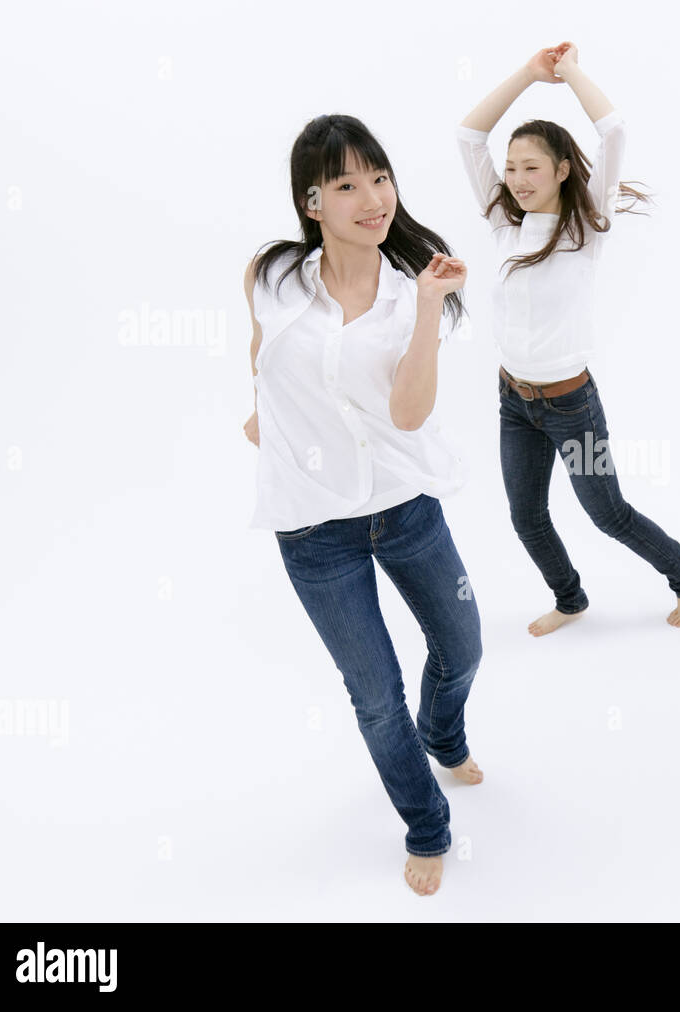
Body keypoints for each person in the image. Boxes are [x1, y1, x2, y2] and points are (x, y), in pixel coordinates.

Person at [242, 113, 483, 894]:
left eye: (379, 178)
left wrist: (423, 314)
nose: (373, 197)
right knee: (375, 695)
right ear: (312, 201)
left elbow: (409, 414)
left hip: (403, 505)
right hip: (313, 527)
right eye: (347, 184)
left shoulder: (418, 291)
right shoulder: (271, 274)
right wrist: (263, 414)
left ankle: (442, 734)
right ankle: (426, 827)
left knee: (465, 644)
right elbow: (263, 353)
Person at [456, 41, 680, 636]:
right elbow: (469, 137)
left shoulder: (585, 227)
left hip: (573, 408)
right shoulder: (503, 225)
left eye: (531, 168)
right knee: (526, 517)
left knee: (608, 514)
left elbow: (614, 132)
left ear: (562, 170)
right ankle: (570, 599)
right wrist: (526, 73)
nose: (517, 179)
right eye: (511, 168)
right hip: (514, 402)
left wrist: (567, 73)